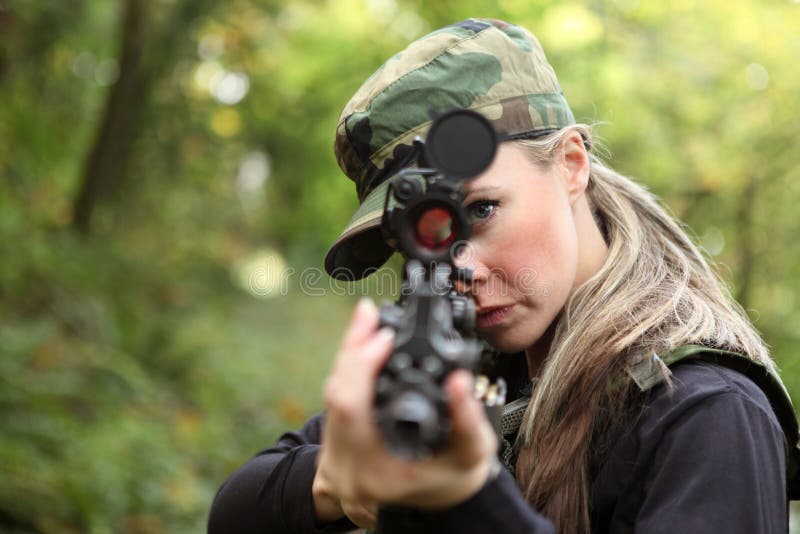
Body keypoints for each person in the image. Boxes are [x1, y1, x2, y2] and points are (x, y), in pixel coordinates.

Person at [207, 18, 800, 534]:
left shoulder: (703, 412)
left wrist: (470, 499)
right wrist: (336, 484)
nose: (460, 267)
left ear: (571, 165)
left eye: (482, 210)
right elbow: (234, 510)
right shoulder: (475, 362)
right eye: (424, 237)